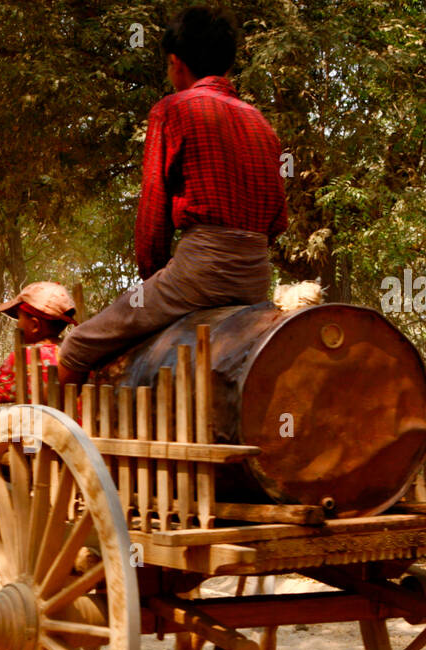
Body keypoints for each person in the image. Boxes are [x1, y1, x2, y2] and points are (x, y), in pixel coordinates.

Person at [57, 4, 288, 386]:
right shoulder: (261, 122)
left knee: (80, 343)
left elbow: (153, 215)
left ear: (176, 63)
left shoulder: (172, 110)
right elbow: (277, 221)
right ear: (227, 66)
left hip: (199, 272)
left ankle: (37, 440)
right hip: (254, 278)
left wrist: (155, 279)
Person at [0, 281, 77, 403]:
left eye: (19, 318)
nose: (18, 324)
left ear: (35, 325)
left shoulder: (24, 357)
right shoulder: (73, 352)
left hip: (40, 421)